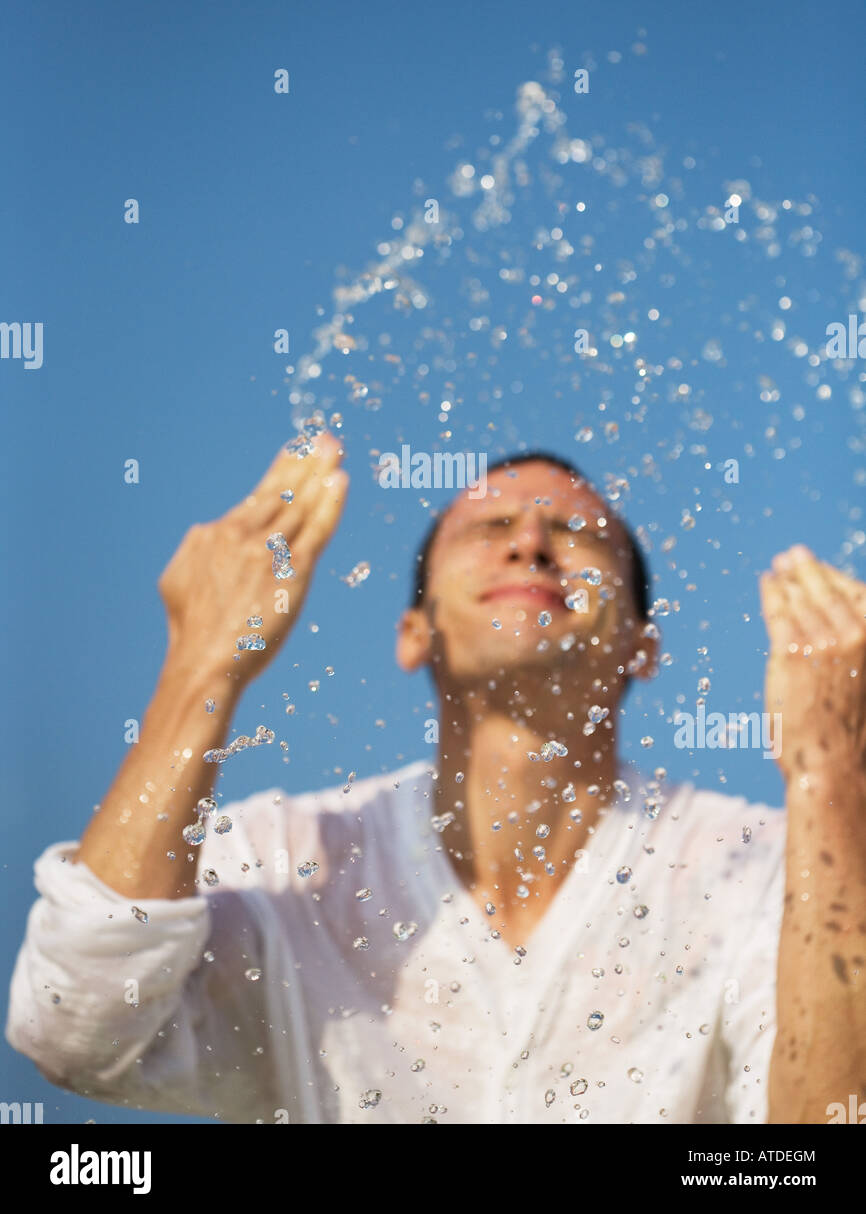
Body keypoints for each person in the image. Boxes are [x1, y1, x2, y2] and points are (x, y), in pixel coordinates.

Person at [6, 435, 866, 1124]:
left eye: (576, 534)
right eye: (490, 531)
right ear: (415, 632)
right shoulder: (294, 863)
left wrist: (831, 775)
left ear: (644, 645)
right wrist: (201, 665)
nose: (531, 543)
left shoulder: (762, 871)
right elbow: (75, 1021)